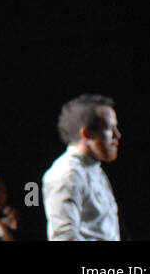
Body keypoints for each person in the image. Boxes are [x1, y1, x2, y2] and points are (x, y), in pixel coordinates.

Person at [41, 93, 122, 240]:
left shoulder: (93, 168)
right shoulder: (66, 173)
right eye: (110, 128)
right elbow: (64, 237)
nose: (117, 135)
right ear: (87, 133)